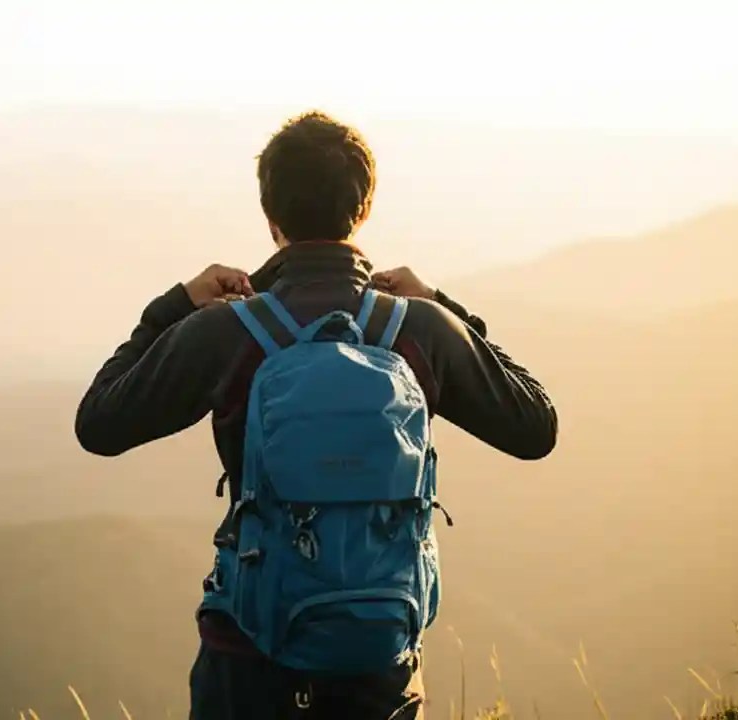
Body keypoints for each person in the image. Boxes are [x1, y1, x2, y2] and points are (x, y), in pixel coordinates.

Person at [74, 111, 557, 719]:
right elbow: (535, 425)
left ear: (271, 216)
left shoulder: (227, 331)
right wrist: (442, 305)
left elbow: (98, 423)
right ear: (364, 209)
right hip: (378, 657)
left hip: (250, 658)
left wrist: (175, 305)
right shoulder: (418, 330)